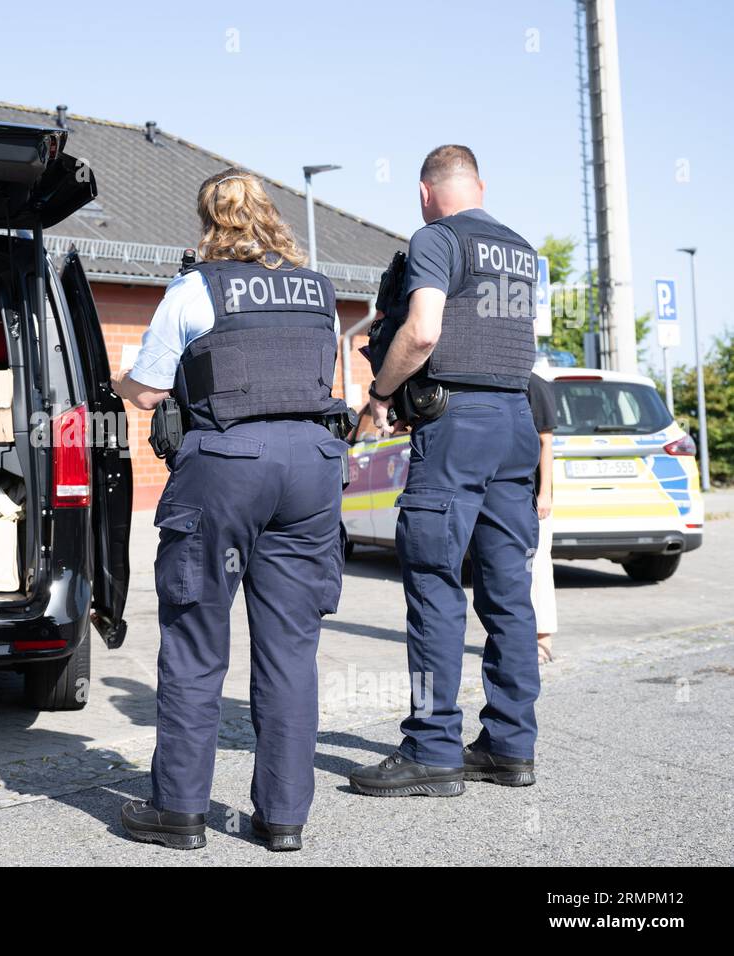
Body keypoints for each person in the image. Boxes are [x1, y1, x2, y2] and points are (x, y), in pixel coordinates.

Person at [110, 168, 351, 851]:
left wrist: (118, 379)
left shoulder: (196, 287)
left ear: (209, 221)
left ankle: (180, 812)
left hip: (227, 466)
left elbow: (151, 392)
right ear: (272, 214)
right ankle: (282, 821)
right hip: (311, 467)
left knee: (195, 644)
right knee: (291, 652)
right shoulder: (321, 291)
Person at [349, 145, 541, 796]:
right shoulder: (520, 248)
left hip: (458, 422)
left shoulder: (436, 238)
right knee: (508, 590)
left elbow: (424, 331)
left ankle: (432, 750)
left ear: (426, 192)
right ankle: (510, 748)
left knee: (433, 584)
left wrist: (379, 391)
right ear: (479, 186)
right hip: (515, 417)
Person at [527, 369, 558, 662]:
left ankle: (543, 637)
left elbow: (545, 442)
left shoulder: (534, 386)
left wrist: (544, 493)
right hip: (505, 493)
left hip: (533, 495)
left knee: (537, 565)